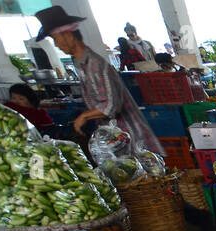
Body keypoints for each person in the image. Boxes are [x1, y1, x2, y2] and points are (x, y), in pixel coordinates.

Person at [35, 6, 165, 156]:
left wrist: (84, 116)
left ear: (68, 35)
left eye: (55, 39)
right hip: (116, 137)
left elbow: (110, 107)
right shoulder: (82, 64)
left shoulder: (95, 64)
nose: (56, 45)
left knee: (145, 172)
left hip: (130, 137)